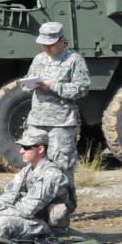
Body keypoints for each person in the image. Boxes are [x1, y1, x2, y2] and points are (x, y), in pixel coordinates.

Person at [22, 21, 90, 191]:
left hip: (61, 124)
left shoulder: (74, 60)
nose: (47, 48)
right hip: (37, 121)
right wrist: (29, 83)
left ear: (62, 40)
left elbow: (82, 88)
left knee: (62, 165)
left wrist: (53, 86)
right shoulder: (38, 59)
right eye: (43, 44)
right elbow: (25, 86)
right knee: (33, 165)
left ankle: (62, 207)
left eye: (51, 44)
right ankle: (36, 204)